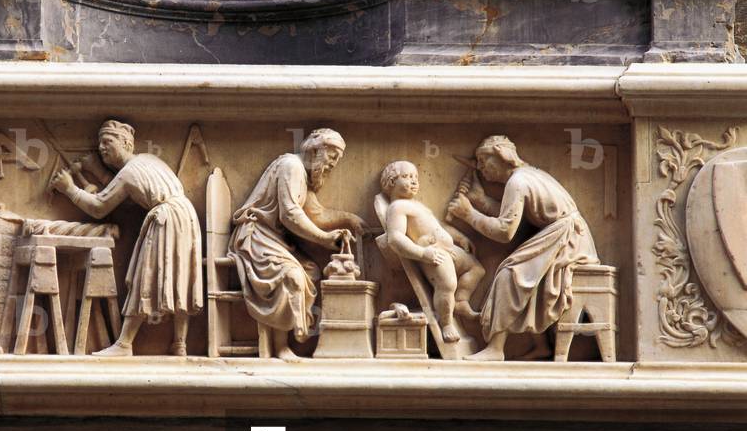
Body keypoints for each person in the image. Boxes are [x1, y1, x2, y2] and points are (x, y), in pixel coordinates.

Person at [50, 120, 202, 357]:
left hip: (166, 219)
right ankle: (179, 343)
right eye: (100, 143)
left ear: (126, 143)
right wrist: (95, 172)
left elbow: (101, 206)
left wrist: (69, 188)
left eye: (107, 142)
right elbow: (127, 195)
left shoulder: (130, 172)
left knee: (146, 275)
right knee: (179, 276)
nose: (101, 148)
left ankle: (124, 344)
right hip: (185, 216)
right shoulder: (148, 160)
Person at [447, 135, 598, 361]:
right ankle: (541, 346)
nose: (480, 168)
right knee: (525, 273)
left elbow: (505, 231)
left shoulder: (517, 182)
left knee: (510, 274)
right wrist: (480, 202)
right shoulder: (531, 174)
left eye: (483, 160)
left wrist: (468, 214)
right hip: (567, 236)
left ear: (502, 156)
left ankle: (496, 348)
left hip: (568, 243)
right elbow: (521, 218)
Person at [228, 128, 364, 360]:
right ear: (315, 149)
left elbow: (317, 214)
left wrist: (348, 219)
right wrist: (323, 238)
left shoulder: (303, 175)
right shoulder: (291, 166)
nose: (333, 164)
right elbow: (289, 215)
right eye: (332, 156)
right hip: (255, 238)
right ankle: (280, 347)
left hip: (272, 239)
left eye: (337, 159)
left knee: (310, 271)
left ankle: (296, 336)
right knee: (293, 276)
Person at [379, 160, 484, 343]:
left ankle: (460, 301)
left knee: (476, 269)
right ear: (391, 182)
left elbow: (439, 226)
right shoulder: (397, 207)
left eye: (415, 177)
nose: (413, 181)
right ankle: (446, 323)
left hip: (448, 249)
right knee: (447, 284)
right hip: (432, 253)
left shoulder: (419, 206)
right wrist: (423, 253)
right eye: (406, 177)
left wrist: (459, 238)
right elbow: (395, 238)